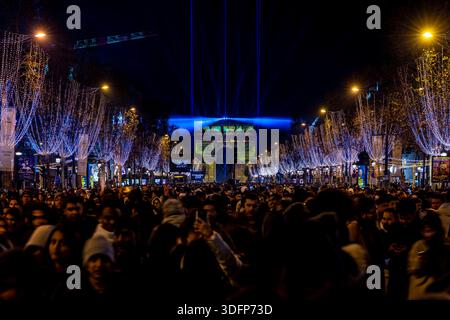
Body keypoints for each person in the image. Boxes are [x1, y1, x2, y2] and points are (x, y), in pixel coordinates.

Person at [407, 212, 450, 299]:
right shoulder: (418, 246)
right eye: (424, 231)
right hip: (421, 292)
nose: (427, 235)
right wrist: (420, 262)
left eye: (430, 231)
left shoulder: (445, 246)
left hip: (440, 293)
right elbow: (413, 269)